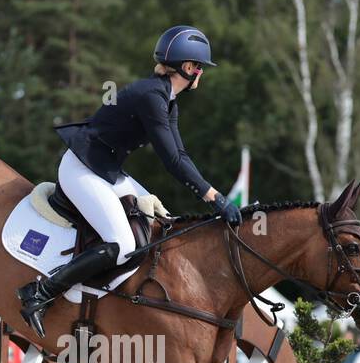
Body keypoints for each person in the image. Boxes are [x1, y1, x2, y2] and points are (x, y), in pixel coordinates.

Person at [18, 26, 242, 338]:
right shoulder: (153, 97)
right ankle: (40, 293)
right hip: (82, 168)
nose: (202, 74)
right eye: (201, 67)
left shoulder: (167, 98)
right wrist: (215, 198)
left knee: (157, 218)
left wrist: (212, 193)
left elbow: (181, 153)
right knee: (122, 244)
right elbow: (172, 162)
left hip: (106, 169)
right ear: (189, 68)